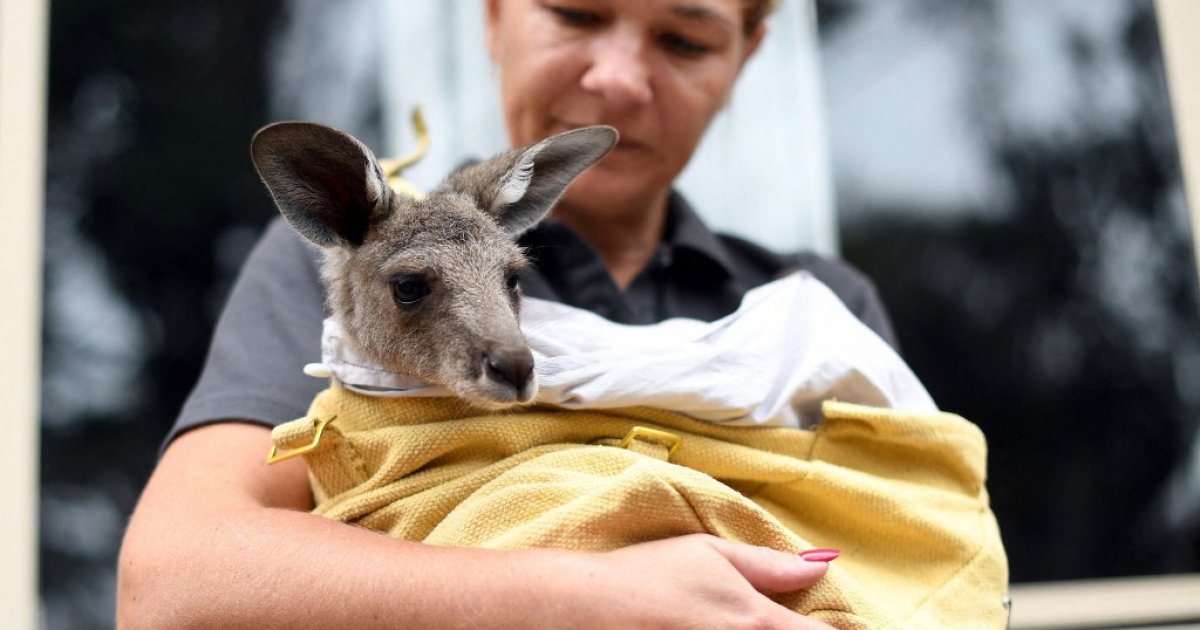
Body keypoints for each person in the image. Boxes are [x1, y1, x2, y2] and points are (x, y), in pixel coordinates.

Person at [117, 1, 897, 627]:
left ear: (745, 57)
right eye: (575, 14)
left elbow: (908, 550)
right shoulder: (349, 277)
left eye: (684, 41)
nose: (620, 80)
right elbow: (173, 585)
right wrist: (586, 599)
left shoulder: (809, 312)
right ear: (493, 18)